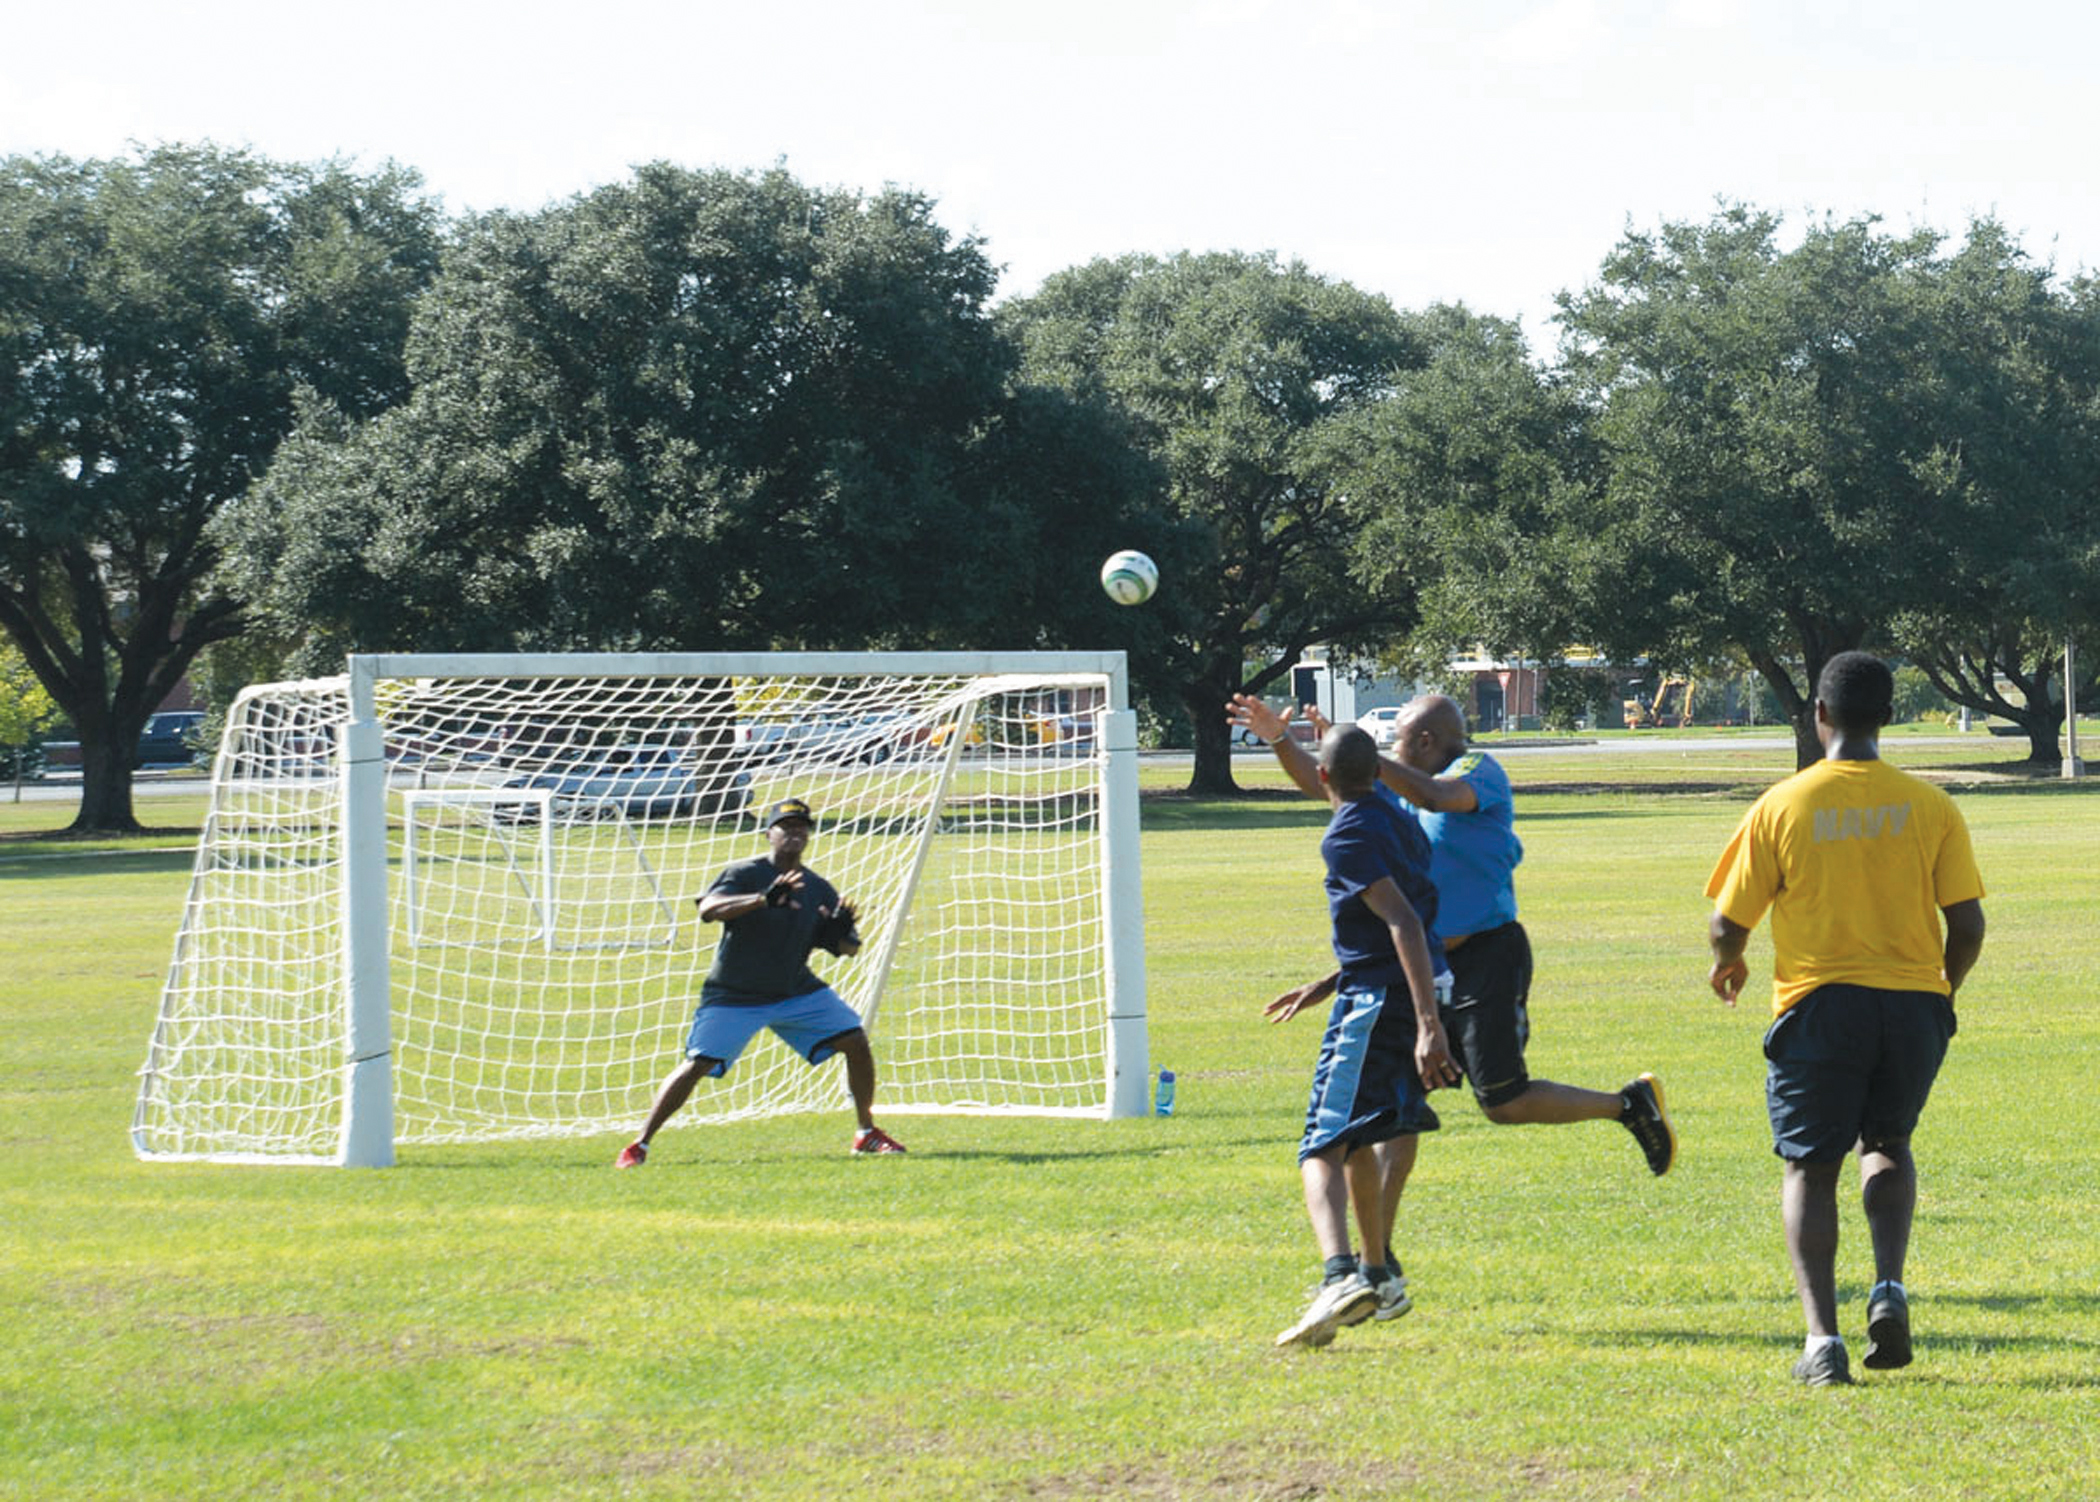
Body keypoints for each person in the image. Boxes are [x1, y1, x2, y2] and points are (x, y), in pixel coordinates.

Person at [1227, 692, 1675, 1175]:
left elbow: (1437, 797)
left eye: (1395, 741)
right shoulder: (1401, 785)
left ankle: (1627, 1105)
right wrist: (1280, 739)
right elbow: (1330, 787)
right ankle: (1378, 1249)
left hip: (1488, 956)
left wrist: (1359, 755)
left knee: (1503, 1101)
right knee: (1395, 1104)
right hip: (1427, 964)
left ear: (1424, 741)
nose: (1390, 750)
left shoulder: (1478, 769)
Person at [1705, 652, 1985, 1386]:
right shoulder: (1931, 806)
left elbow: (1727, 920)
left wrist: (1728, 962)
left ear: (1818, 716)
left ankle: (1822, 1342)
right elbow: (1969, 923)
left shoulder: (1783, 805)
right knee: (1888, 1141)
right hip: (1913, 1009)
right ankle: (1888, 1287)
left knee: (1810, 1166)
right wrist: (1942, 992)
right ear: (1886, 718)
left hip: (1818, 1006)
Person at [1273, 723, 1459, 1349]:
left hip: (1382, 1004)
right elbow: (1398, 918)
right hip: (1398, 990)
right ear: (1377, 772)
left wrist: (1428, 1025)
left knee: (1320, 1144)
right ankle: (1380, 1275)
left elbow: (1403, 921)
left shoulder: (1347, 835)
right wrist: (1329, 980)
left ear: (1324, 778)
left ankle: (1337, 1275)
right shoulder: (1395, 814)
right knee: (1362, 1137)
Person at [617, 797, 906, 1165]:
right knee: (697, 1065)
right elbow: (708, 910)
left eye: (802, 827)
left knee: (855, 1040)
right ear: (769, 833)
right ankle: (639, 1144)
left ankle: (866, 1132)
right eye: (786, 827)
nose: (795, 833)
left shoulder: (818, 887)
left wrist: (842, 932)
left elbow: (847, 948)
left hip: (794, 990)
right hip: (735, 995)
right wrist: (762, 900)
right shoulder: (745, 873)